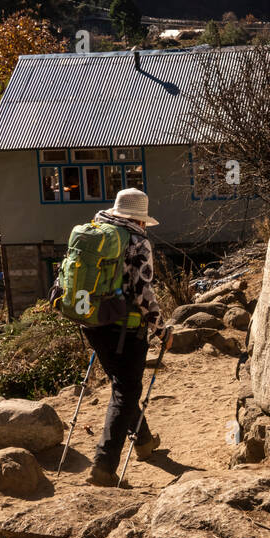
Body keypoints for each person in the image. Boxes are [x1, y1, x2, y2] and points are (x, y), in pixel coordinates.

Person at [50, 188, 171, 486]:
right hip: (125, 328)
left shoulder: (93, 232)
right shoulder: (137, 241)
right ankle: (104, 466)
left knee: (123, 385)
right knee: (126, 391)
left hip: (91, 321)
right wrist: (161, 330)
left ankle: (143, 443)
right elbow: (143, 293)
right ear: (140, 220)